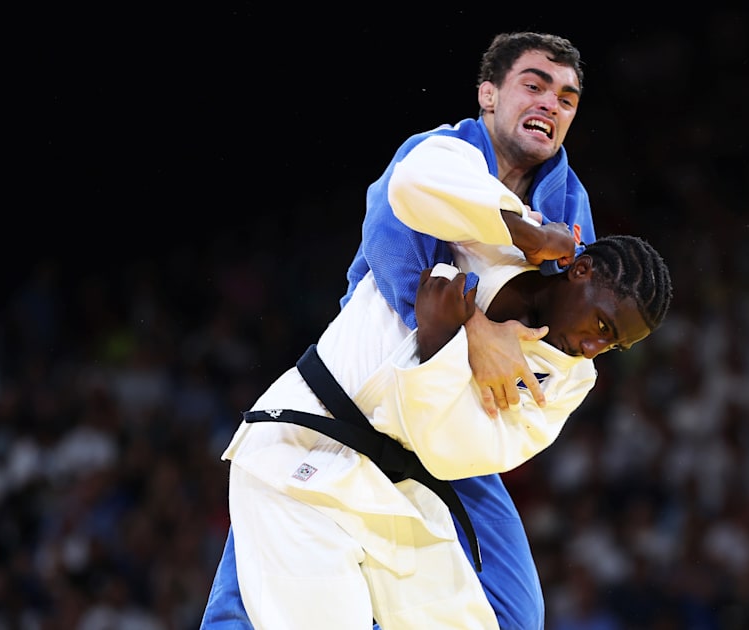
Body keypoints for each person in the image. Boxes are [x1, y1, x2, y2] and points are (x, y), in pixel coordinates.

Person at [202, 31, 599, 628]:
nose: (550, 104)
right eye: (534, 85)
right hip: (360, 389)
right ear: (488, 95)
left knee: (517, 614)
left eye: (566, 98)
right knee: (259, 577)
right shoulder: (437, 154)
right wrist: (474, 334)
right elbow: (394, 260)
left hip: (448, 422)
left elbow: (565, 329)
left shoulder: (569, 208)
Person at [216, 217, 671, 628]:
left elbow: (453, 452)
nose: (595, 347)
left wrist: (443, 342)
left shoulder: (570, 379)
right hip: (300, 451)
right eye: (604, 325)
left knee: (504, 620)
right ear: (581, 270)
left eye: (614, 346)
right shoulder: (479, 239)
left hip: (402, 487)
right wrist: (517, 237)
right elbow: (410, 182)